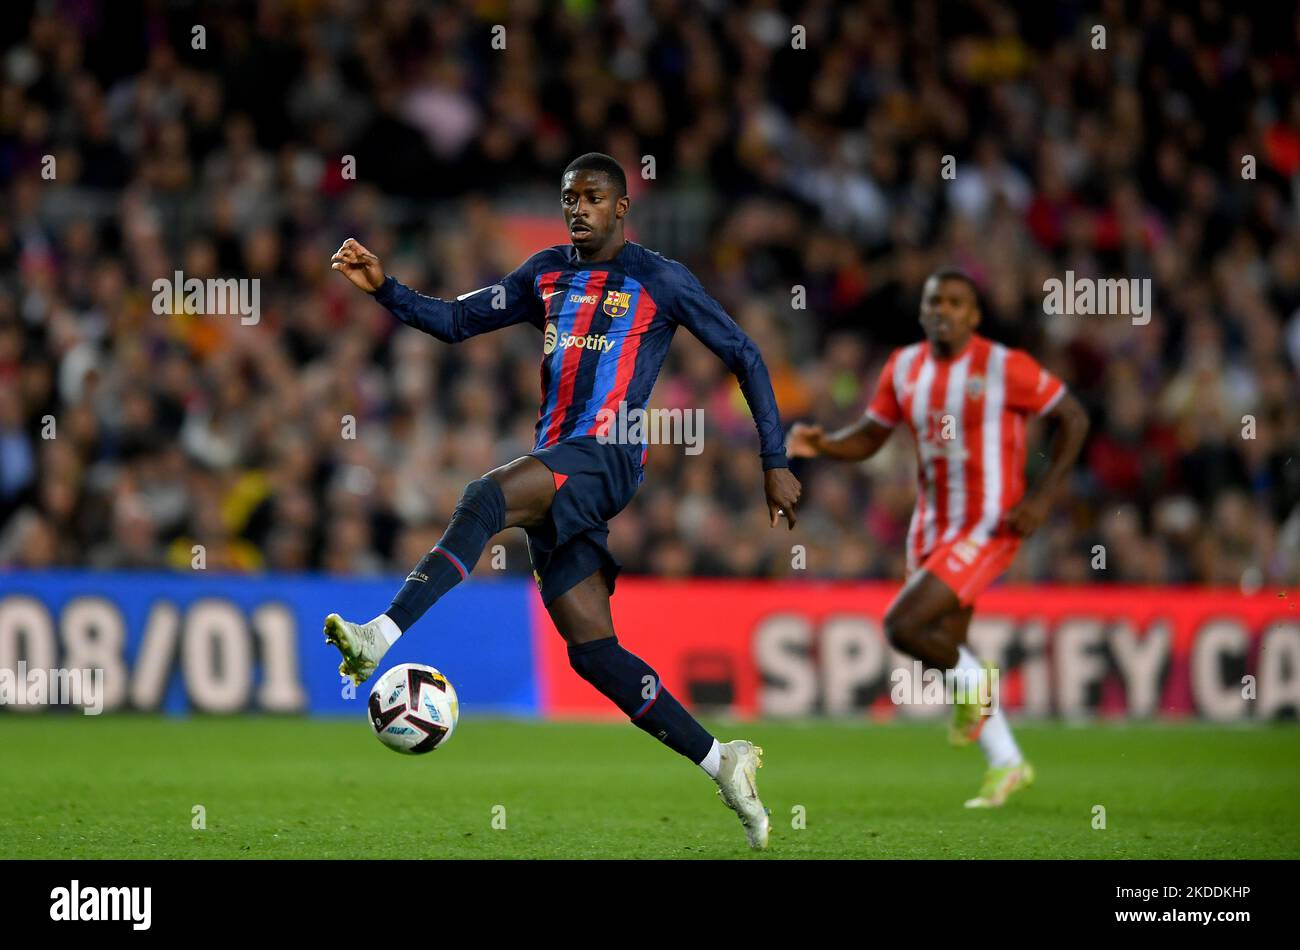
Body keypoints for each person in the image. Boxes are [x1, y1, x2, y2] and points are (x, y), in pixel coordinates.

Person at [327, 152, 802, 848]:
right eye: (568, 196)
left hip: (606, 458)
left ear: (620, 209)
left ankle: (383, 634)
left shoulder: (660, 279)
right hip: (562, 466)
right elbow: (456, 321)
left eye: (592, 197)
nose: (577, 208)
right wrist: (385, 289)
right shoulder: (545, 272)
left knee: (485, 498)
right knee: (592, 651)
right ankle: (720, 761)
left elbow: (745, 354)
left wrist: (774, 457)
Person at [787, 269, 1089, 807]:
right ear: (924, 311)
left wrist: (1041, 499)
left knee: (904, 625)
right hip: (930, 526)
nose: (944, 310)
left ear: (973, 316)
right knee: (948, 646)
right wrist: (825, 444)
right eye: (935, 302)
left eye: (956, 303)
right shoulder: (904, 367)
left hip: (989, 523)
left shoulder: (1003, 366)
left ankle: (979, 686)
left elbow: (1073, 417)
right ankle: (1008, 763)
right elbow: (873, 435)